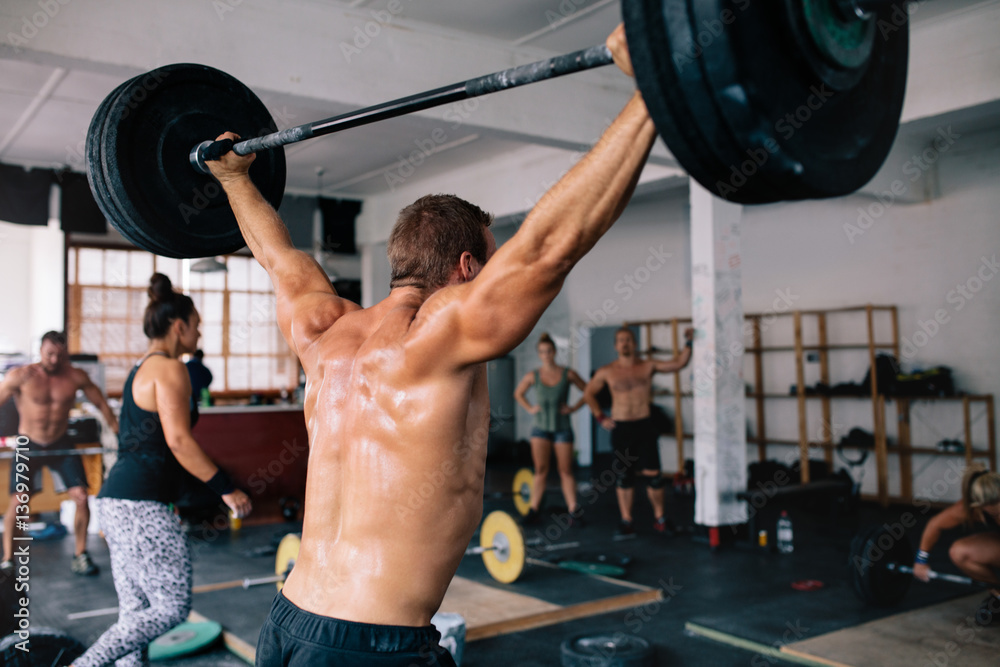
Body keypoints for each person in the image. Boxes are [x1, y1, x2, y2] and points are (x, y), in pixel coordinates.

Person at [204, 23, 656, 667]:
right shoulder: (433, 340)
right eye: (490, 263)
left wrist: (233, 180)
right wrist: (652, 97)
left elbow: (280, 260)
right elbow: (548, 251)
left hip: (287, 622)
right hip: (374, 645)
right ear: (467, 268)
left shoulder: (322, 331)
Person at [71, 274, 252, 667]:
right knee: (171, 607)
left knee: (135, 613)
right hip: (141, 506)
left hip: (117, 501)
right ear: (179, 325)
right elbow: (179, 441)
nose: (200, 333)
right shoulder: (171, 370)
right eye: (197, 324)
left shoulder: (142, 368)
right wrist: (226, 489)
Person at [0, 331, 118, 576]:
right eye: (49, 354)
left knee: (81, 497)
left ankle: (80, 554)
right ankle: (9, 559)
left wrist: (118, 434)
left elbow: (101, 404)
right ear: (40, 351)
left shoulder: (75, 376)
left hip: (60, 443)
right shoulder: (21, 376)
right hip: (28, 444)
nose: (54, 360)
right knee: (20, 501)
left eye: (60, 355)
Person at [584, 326, 693, 537]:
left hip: (645, 425)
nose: (625, 343)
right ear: (616, 346)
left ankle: (660, 518)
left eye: (628, 340)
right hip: (622, 427)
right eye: (621, 340)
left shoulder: (647, 366)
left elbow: (679, 363)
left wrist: (688, 342)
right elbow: (588, 393)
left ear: (634, 344)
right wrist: (600, 417)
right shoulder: (607, 371)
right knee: (624, 476)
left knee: (655, 476)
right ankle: (627, 521)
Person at [513, 333, 587, 525]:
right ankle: (534, 510)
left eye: (549, 351)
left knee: (565, 471)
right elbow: (518, 394)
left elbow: (588, 391)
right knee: (540, 470)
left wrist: (573, 408)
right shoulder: (533, 375)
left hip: (562, 428)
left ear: (554, 352)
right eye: (542, 352)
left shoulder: (567, 373)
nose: (546, 355)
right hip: (540, 429)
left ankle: (573, 510)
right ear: (539, 354)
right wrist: (530, 408)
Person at [912, 466, 1000, 625]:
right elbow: (934, 525)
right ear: (978, 504)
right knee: (959, 552)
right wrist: (921, 561)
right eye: (993, 508)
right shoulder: (970, 509)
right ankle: (998, 596)